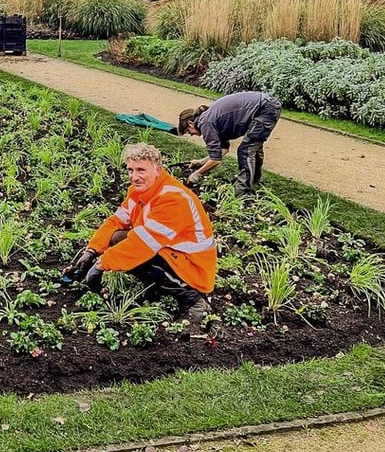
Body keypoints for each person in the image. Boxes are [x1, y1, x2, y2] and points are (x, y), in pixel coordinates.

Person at [63, 142, 216, 327]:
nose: (134, 177)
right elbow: (115, 222)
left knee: (138, 254)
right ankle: (160, 286)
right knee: (117, 238)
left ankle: (194, 300)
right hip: (172, 253)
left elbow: (141, 245)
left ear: (158, 170)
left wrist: (101, 265)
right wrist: (92, 251)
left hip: (193, 266)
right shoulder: (139, 192)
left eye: (141, 170)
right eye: (130, 170)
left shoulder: (172, 199)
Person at [178, 91, 282, 196]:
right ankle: (255, 180)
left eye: (187, 131)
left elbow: (215, 161)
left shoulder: (205, 123)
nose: (191, 135)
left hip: (264, 109)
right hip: (266, 105)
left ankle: (242, 191)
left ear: (190, 124)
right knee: (253, 147)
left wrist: (196, 174)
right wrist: (201, 163)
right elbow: (223, 149)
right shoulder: (209, 119)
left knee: (245, 151)